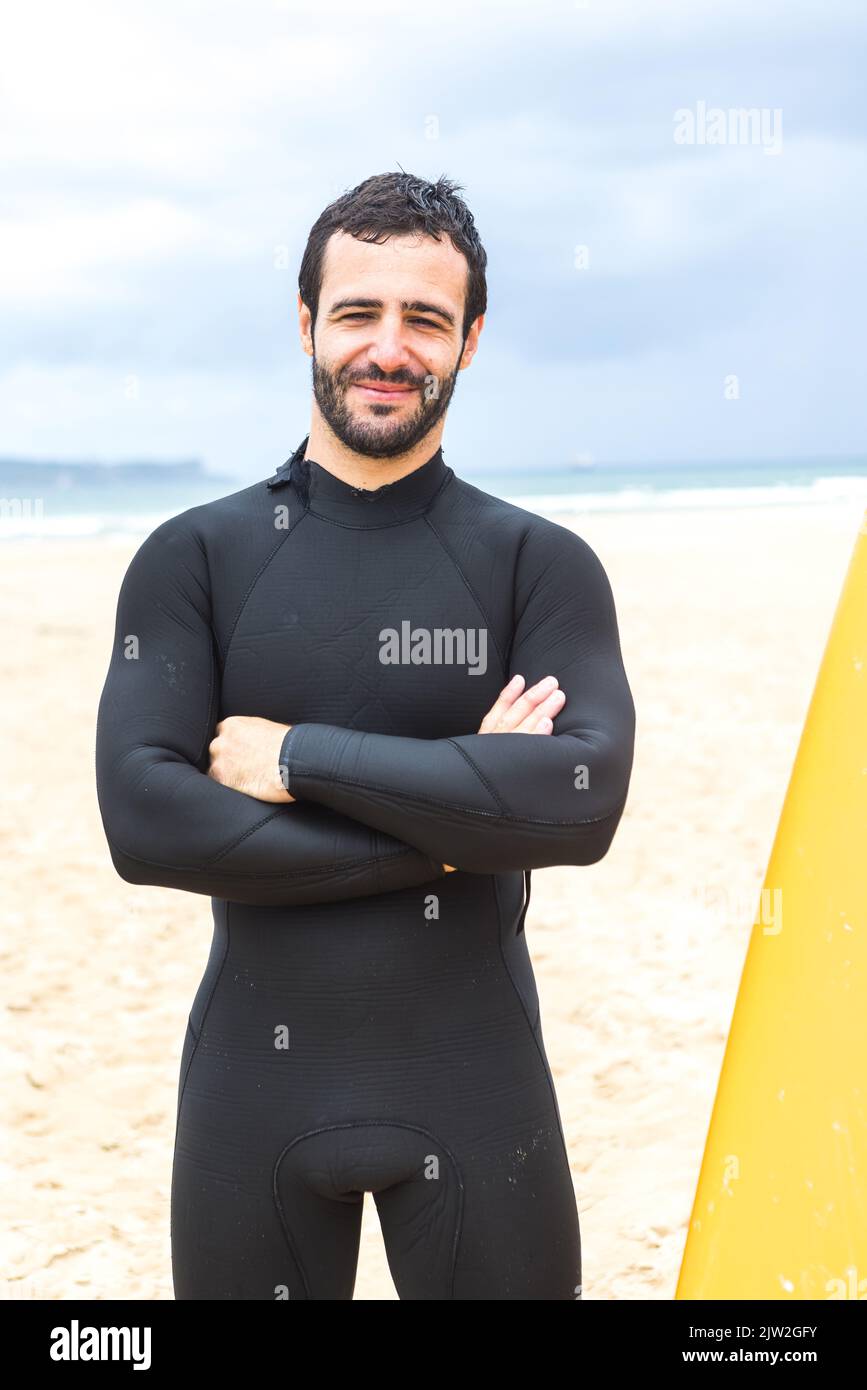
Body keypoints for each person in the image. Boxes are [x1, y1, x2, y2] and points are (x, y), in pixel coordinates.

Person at [95, 171, 636, 1300]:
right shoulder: (196, 559)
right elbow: (146, 822)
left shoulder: (535, 565)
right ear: (307, 323)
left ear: (470, 339)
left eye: (425, 319)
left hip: (480, 1093)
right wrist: (464, 817)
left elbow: (578, 800)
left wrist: (294, 760)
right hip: (256, 1099)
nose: (389, 348)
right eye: (358, 312)